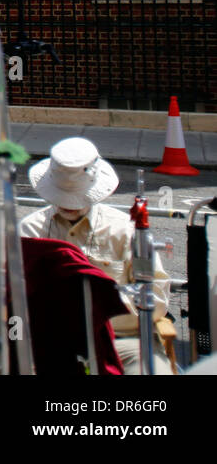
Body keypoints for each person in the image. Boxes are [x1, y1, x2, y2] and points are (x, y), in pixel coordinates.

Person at [19, 138, 174, 374]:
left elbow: (157, 298)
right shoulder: (29, 231)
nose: (69, 204)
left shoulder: (125, 229)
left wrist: (101, 314)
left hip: (122, 341)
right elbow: (11, 298)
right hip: (51, 343)